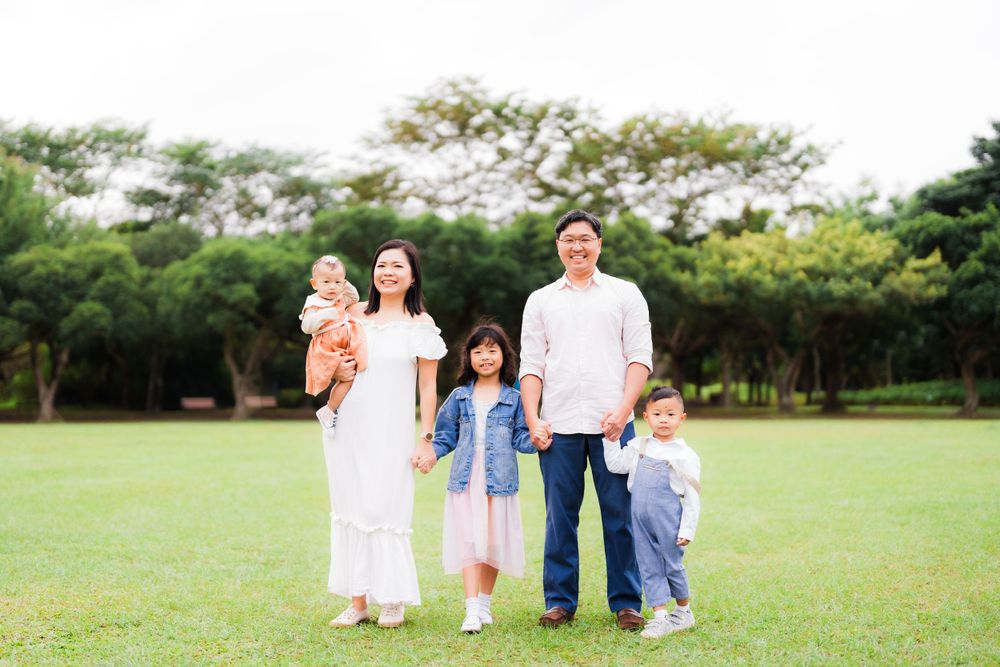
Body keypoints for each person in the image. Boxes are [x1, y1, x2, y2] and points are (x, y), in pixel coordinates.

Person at [519, 209, 653, 630]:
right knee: (560, 517)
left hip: (614, 423)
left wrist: (622, 409)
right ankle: (560, 601)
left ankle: (627, 603)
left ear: (599, 243)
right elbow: (531, 364)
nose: (577, 246)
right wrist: (532, 418)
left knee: (621, 516)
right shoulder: (541, 299)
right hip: (557, 424)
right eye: (568, 239)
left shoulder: (624, 293)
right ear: (557, 245)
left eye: (585, 238)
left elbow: (639, 356)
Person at [323, 240, 447, 629]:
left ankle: (392, 599)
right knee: (352, 506)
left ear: (412, 277)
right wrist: (336, 373)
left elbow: (428, 387)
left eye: (397, 266)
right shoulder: (352, 314)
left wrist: (426, 437)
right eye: (381, 265)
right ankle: (357, 601)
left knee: (385, 507)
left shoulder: (421, 325)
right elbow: (326, 357)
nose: (387, 272)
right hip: (348, 425)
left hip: (391, 430)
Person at [423, 322, 535, 634]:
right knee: (471, 542)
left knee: (493, 542)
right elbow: (445, 437)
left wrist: (541, 438)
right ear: (469, 357)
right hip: (466, 482)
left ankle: (485, 603)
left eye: (492, 350)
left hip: (499, 483)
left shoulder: (514, 399)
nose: (485, 356)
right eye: (478, 350)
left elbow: (523, 440)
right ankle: (471, 609)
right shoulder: (460, 397)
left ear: (504, 355)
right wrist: (431, 454)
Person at [602, 386, 701, 638]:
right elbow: (615, 465)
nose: (664, 420)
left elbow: (691, 498)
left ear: (682, 418)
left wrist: (687, 529)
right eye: (657, 414)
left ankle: (683, 611)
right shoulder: (639, 446)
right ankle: (660, 617)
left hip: (668, 520)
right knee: (648, 566)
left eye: (670, 414)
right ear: (646, 417)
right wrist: (610, 439)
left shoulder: (685, 455)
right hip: (640, 520)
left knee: (672, 565)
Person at [300, 255, 367, 434]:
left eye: (337, 282)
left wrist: (344, 285)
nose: (332, 287)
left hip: (343, 342)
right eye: (326, 282)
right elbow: (306, 327)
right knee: (347, 377)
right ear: (314, 284)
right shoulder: (314, 303)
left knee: (357, 371)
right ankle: (329, 409)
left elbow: (354, 298)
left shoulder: (339, 298)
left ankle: (338, 411)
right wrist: (325, 314)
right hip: (326, 346)